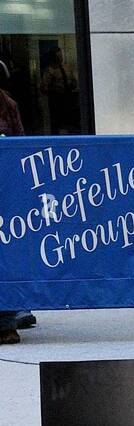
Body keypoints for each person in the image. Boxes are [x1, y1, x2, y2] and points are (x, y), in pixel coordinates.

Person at [0, 58, 34, 344]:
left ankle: (8, 321)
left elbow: (20, 145)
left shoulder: (8, 105)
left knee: (7, 254)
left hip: (6, 190)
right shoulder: (8, 104)